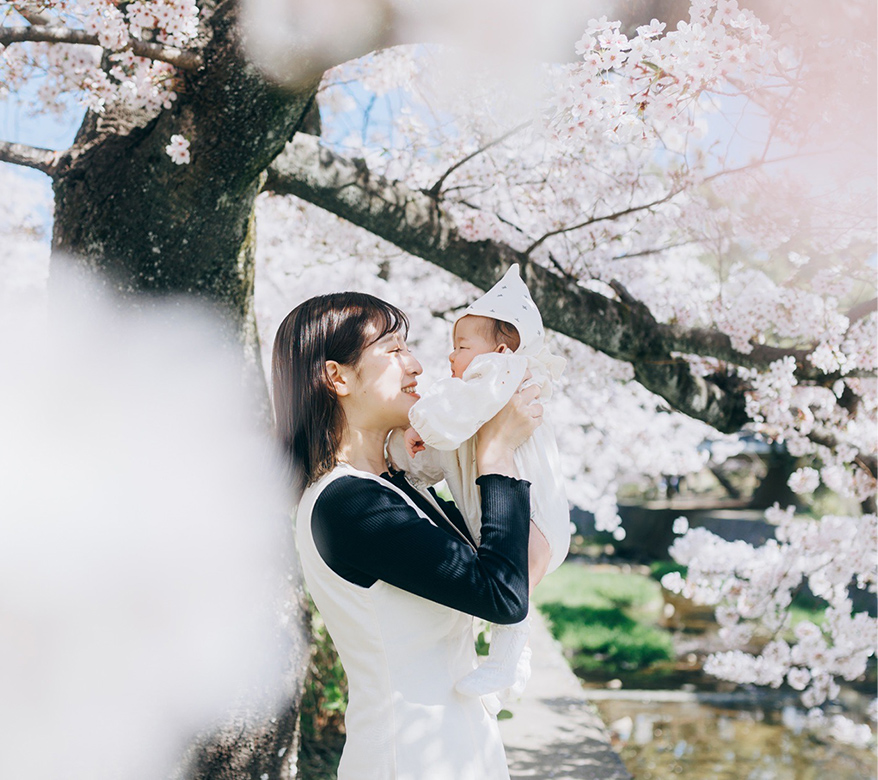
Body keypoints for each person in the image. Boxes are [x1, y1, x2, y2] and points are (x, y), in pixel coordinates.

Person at [271, 291, 550, 780]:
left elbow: (507, 564)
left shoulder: (390, 488)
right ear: (337, 376)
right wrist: (497, 452)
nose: (417, 365)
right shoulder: (348, 505)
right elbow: (503, 596)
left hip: (458, 751)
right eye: (394, 349)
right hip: (409, 759)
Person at [387, 263, 570, 700]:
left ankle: (506, 664)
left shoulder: (505, 377)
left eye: (462, 346)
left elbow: (448, 418)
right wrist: (402, 447)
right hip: (505, 514)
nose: (450, 356)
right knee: (509, 587)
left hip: (536, 517)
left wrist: (419, 421)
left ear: (503, 351)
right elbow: (432, 462)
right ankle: (513, 663)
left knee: (511, 587)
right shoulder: (476, 400)